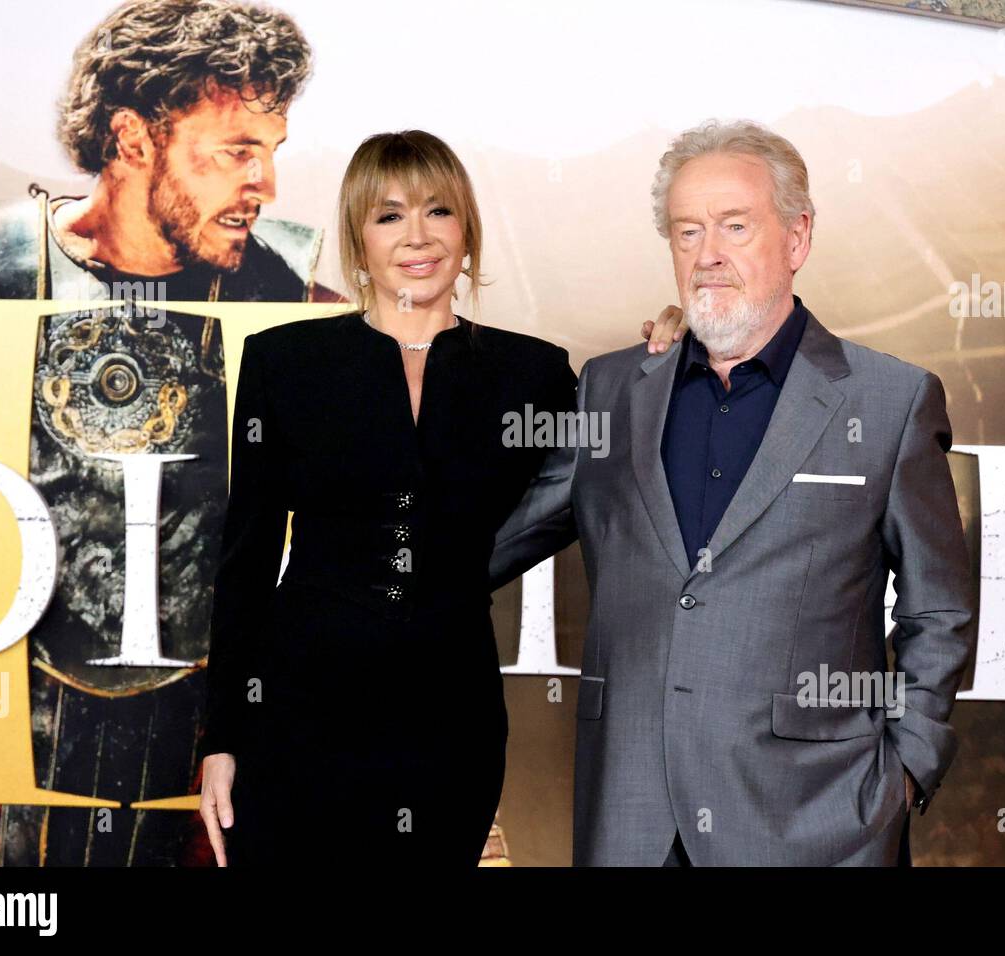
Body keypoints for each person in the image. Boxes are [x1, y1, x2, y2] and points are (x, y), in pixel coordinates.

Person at [0, 0, 330, 867]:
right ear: (134, 137)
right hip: (3, 780)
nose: (267, 184)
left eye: (273, 151)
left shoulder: (292, 302)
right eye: (237, 151)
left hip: (207, 783)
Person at [490, 118, 977, 866]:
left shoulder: (890, 402)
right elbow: (494, 540)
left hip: (818, 824)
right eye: (686, 233)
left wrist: (904, 771)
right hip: (633, 820)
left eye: (734, 226)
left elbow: (937, 610)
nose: (707, 254)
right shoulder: (612, 389)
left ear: (798, 238)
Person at [195, 129, 683, 866]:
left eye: (438, 212)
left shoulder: (534, 375)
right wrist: (223, 737)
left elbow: (609, 468)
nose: (417, 238)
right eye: (389, 215)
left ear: (468, 231)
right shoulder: (286, 363)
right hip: (298, 710)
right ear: (359, 238)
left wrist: (666, 360)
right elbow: (246, 563)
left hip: (449, 716)